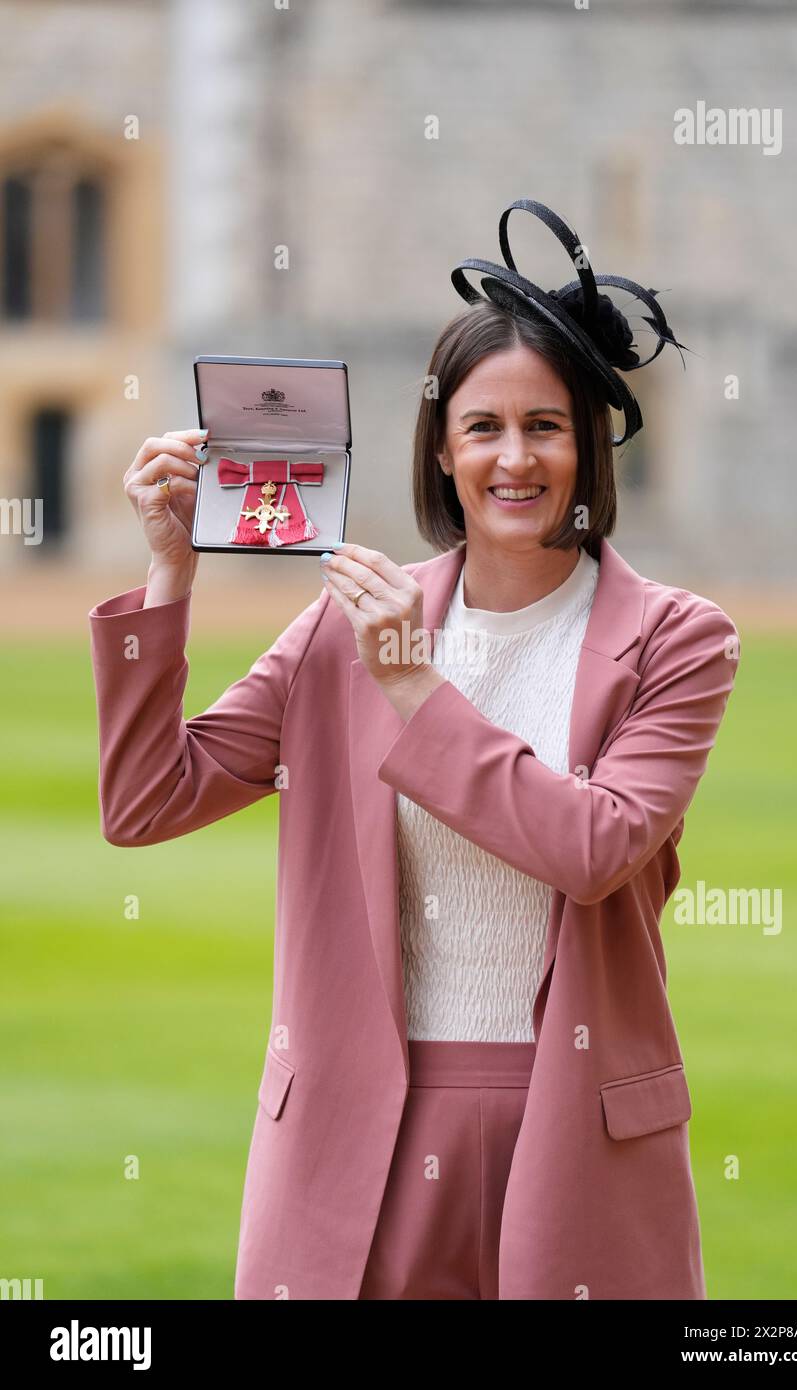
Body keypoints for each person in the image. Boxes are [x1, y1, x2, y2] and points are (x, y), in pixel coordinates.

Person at [89, 201, 740, 1300]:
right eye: (482, 426)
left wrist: (412, 683)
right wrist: (171, 577)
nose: (514, 457)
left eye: (546, 425)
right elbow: (146, 799)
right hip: (361, 1130)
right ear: (440, 450)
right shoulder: (342, 629)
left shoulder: (676, 637)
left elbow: (595, 846)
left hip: (574, 1123)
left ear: (587, 442)